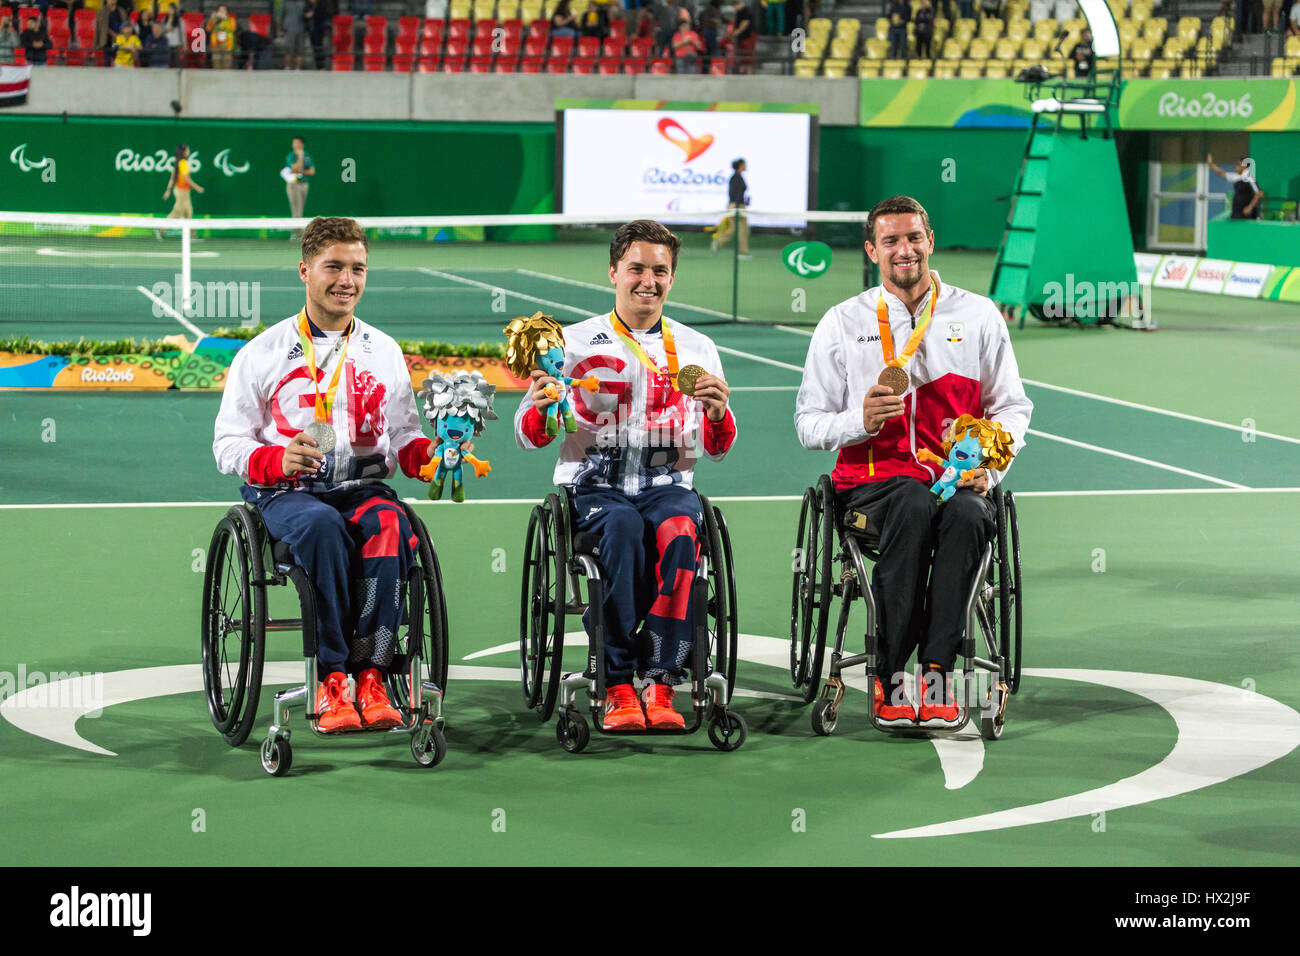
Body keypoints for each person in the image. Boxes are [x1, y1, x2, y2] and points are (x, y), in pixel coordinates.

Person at [793, 195, 1032, 727]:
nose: (905, 250)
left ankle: (937, 672)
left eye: (913, 238)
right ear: (872, 250)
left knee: (970, 516)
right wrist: (860, 420)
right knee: (911, 501)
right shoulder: (842, 322)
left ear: (929, 241)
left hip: (956, 484)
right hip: (873, 487)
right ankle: (890, 673)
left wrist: (989, 470)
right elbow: (809, 423)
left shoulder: (976, 315)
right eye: (891, 241)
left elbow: (1012, 406)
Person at [513, 220, 738, 732]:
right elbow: (528, 437)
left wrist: (721, 413)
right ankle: (615, 681)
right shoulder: (568, 344)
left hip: (667, 489)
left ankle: (660, 679)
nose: (648, 281)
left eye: (660, 271)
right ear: (613, 271)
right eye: (636, 268)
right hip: (595, 489)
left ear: (672, 278)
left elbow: (720, 448)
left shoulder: (697, 348)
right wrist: (545, 407)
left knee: (682, 533)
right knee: (621, 532)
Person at [213, 217, 436, 733]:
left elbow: (404, 436)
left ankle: (374, 673)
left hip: (361, 487)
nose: (347, 280)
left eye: (358, 268)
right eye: (333, 266)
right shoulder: (261, 352)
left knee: (390, 525)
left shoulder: (383, 351)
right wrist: (275, 460)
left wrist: (436, 456)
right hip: (288, 495)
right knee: (322, 529)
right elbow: (227, 444)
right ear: (304, 271)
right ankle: (333, 677)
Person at [709, 157, 750, 255]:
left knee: (740, 229)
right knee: (740, 229)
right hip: (736, 206)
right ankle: (741, 252)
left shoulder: (739, 176)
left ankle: (719, 240)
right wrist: (737, 205)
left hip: (740, 205)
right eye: (744, 164)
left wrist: (744, 202)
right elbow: (734, 193)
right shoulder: (735, 177)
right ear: (740, 165)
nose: (746, 166)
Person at [1208, 153, 1264, 219]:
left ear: (1245, 166)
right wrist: (1211, 165)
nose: (1236, 166)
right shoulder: (1237, 177)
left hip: (1247, 215)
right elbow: (1222, 173)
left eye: (1238, 164)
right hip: (1237, 212)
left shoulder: (1249, 177)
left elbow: (1259, 193)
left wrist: (1250, 207)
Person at [162, 143, 204, 220]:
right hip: (181, 192)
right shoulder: (183, 163)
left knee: (188, 213)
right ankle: (161, 229)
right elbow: (187, 179)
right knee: (177, 212)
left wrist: (168, 190)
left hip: (182, 191)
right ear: (183, 152)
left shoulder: (178, 163)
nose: (189, 152)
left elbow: (172, 179)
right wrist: (197, 188)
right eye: (188, 150)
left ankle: (192, 232)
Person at [285, 136, 315, 237]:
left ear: (302, 145)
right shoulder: (291, 156)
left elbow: (311, 171)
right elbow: (294, 168)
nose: (295, 145)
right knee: (296, 209)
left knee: (300, 209)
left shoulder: (308, 156)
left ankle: (298, 232)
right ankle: (295, 233)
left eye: (297, 143)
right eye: (294, 143)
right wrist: (300, 157)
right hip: (293, 185)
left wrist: (301, 171)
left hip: (304, 185)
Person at [282, 0, 305, 69]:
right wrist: (281, 28)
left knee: (299, 49)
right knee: (288, 48)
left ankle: (297, 68)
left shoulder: (302, 2)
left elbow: (306, 13)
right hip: (289, 28)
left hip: (300, 28)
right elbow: (282, 15)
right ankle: (287, 67)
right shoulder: (286, 2)